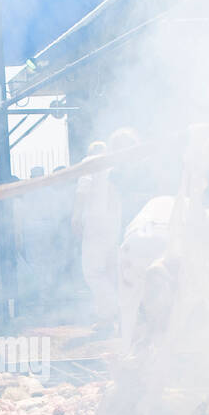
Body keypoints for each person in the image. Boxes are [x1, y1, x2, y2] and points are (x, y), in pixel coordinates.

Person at [72, 140, 119, 334]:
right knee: (109, 271)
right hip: (113, 223)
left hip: (95, 222)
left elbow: (82, 191)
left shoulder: (90, 162)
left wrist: (76, 217)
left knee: (93, 272)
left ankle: (115, 308)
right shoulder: (114, 166)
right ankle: (106, 318)